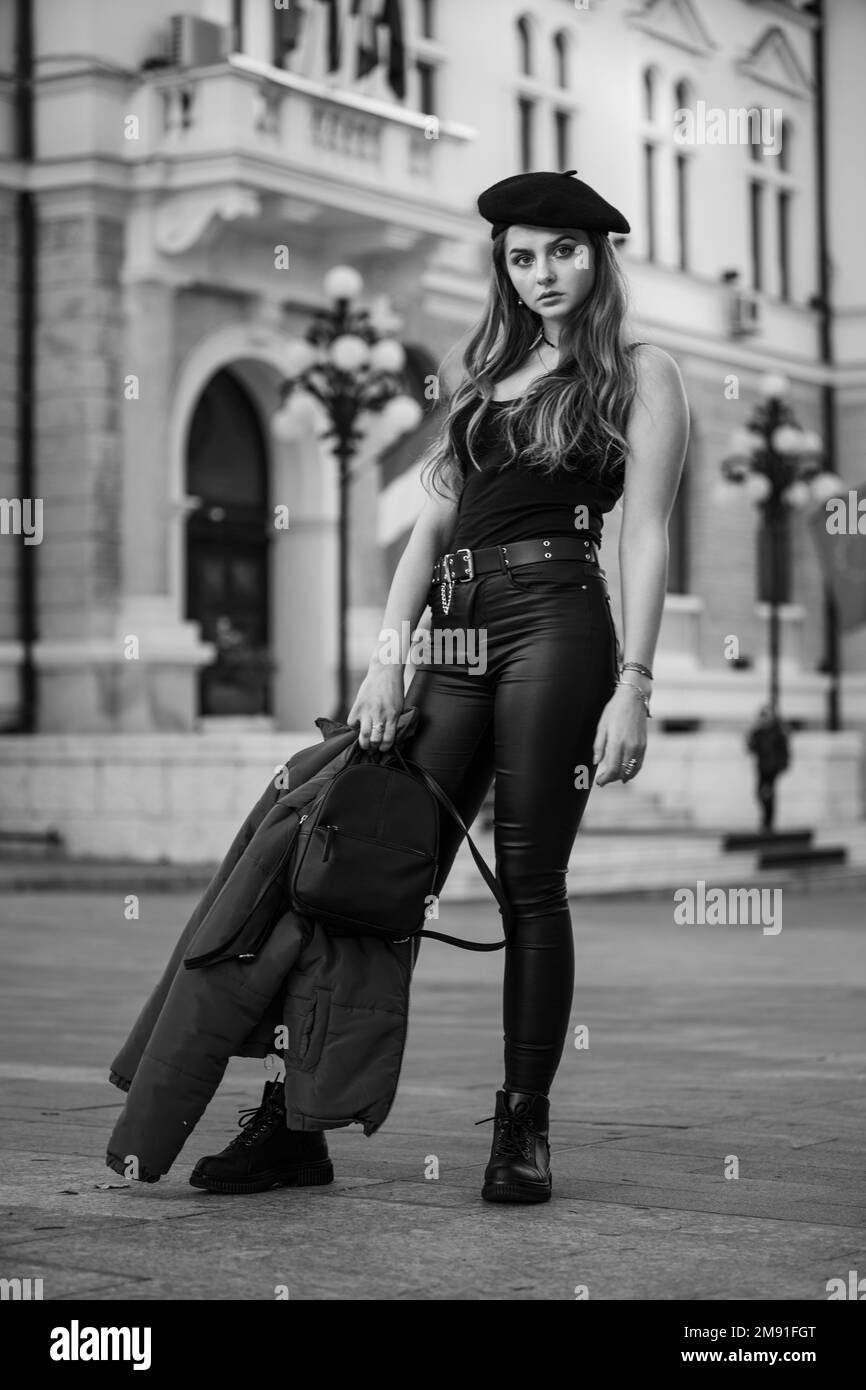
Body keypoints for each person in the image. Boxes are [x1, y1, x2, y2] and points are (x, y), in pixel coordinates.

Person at [190, 169, 689, 1204]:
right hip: (450, 638)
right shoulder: (483, 375)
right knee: (362, 866)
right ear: (500, 270)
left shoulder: (638, 372)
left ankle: (520, 1129)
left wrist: (633, 683)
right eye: (520, 256)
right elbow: (427, 525)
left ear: (598, 256)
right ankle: (297, 1123)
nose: (541, 272)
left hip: (556, 618)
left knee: (530, 880)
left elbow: (645, 531)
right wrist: (385, 656)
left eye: (561, 250)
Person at [746, 704, 791, 831]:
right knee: (760, 793)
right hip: (762, 767)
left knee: (768, 792)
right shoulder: (759, 732)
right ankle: (766, 820)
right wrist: (751, 732)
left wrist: (783, 765)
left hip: (772, 767)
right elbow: (751, 748)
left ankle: (768, 821)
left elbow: (784, 750)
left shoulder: (778, 731)